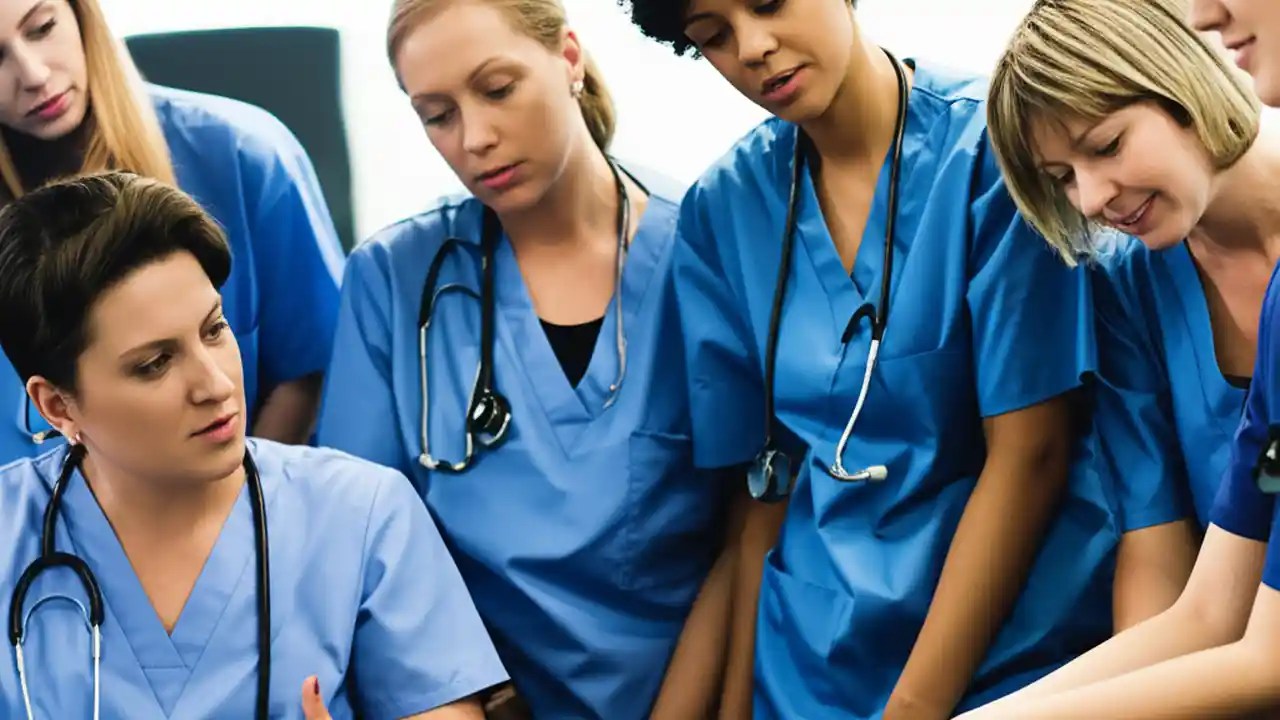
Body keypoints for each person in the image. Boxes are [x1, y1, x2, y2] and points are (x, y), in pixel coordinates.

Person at [621, 0, 1111, 718]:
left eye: (767, 4)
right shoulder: (722, 211)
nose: (753, 47)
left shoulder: (993, 150)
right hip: (809, 674)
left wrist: (912, 709)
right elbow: (765, 492)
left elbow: (1031, 455)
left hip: (1010, 664)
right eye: (714, 37)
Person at [314, 1, 729, 718]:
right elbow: (364, 557)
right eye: (437, 115)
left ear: (568, 57)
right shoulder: (391, 281)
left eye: (498, 89)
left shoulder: (707, 251)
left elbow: (750, 531)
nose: (475, 138)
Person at [0, 171, 506, 719]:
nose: (215, 383)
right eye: (154, 364)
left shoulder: (362, 516)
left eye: (214, 330)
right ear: (57, 405)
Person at [957, 1, 1280, 717]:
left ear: (1180, 79)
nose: (1094, 196)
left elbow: (1265, 655)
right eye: (1062, 177)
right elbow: (1184, 589)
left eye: (1106, 146)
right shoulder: (1131, 286)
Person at [0, 0, 345, 463]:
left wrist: (237, 512)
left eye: (43, 27)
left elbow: (310, 372)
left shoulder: (245, 155)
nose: (35, 74)